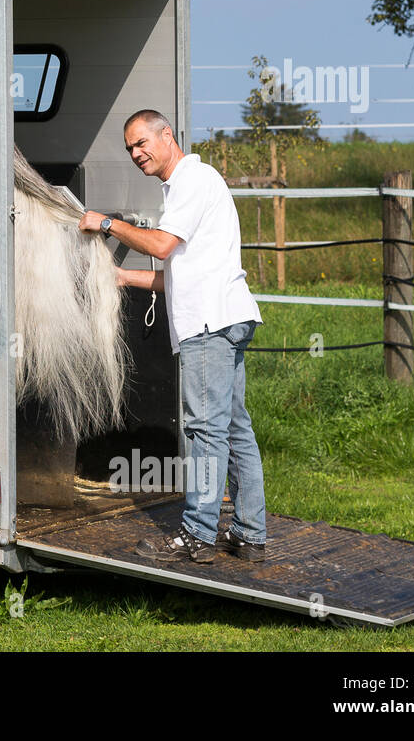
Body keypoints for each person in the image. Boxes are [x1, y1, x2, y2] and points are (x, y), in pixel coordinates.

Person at [78, 109, 267, 563]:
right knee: (234, 429)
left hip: (208, 324)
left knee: (204, 429)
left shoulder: (191, 180)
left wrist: (105, 224)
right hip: (227, 316)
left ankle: (197, 535)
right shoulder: (193, 186)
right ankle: (249, 533)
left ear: (167, 136)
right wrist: (123, 277)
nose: (136, 154)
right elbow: (175, 276)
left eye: (142, 142)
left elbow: (162, 246)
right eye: (129, 149)